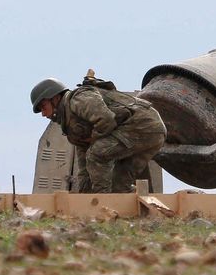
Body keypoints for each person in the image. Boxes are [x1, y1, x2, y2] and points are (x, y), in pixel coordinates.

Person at [30, 74, 167, 194]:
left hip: (143, 125)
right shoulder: (71, 126)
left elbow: (106, 120)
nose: (43, 113)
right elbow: (84, 169)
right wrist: (84, 196)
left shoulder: (78, 99)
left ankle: (102, 202)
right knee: (118, 187)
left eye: (43, 106)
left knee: (97, 153)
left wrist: (97, 198)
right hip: (149, 132)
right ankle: (137, 213)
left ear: (55, 98)